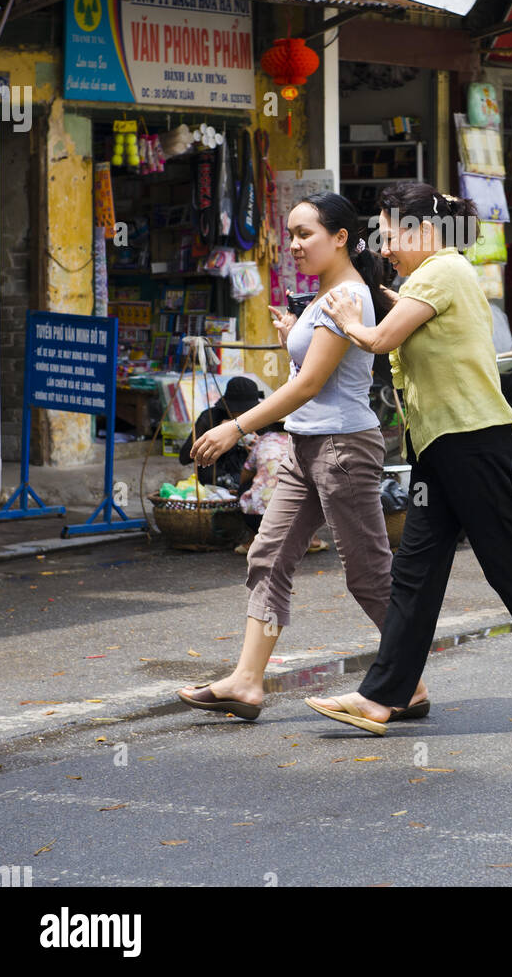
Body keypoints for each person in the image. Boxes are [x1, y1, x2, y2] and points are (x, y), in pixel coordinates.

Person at [304, 183, 512, 740]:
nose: (386, 249)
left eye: (389, 236)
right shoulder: (434, 278)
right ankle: (379, 696)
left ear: (421, 231)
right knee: (415, 572)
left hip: (471, 441)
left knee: (511, 566)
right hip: (441, 445)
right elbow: (402, 312)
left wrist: (345, 314)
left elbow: (380, 338)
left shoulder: (441, 269)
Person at [175, 192, 427, 723]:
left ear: (340, 238)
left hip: (342, 449)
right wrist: (295, 335)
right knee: (267, 556)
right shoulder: (323, 296)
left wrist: (235, 426)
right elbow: (310, 372)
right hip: (304, 445)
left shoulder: (349, 296)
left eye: (304, 234)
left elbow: (312, 384)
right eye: (290, 234)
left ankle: (411, 684)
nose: (293, 245)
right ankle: (246, 682)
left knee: (368, 574)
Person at [235, 426, 329, 557]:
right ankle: (312, 539)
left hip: (258, 514)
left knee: (246, 486)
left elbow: (246, 472)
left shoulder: (263, 440)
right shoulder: (306, 441)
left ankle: (253, 540)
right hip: (298, 513)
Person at [178, 375, 263, 492]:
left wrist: (259, 447)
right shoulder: (210, 417)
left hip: (245, 480)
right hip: (213, 481)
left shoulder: (259, 419)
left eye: (245, 412)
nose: (240, 417)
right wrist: (219, 432)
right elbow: (184, 458)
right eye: (236, 412)